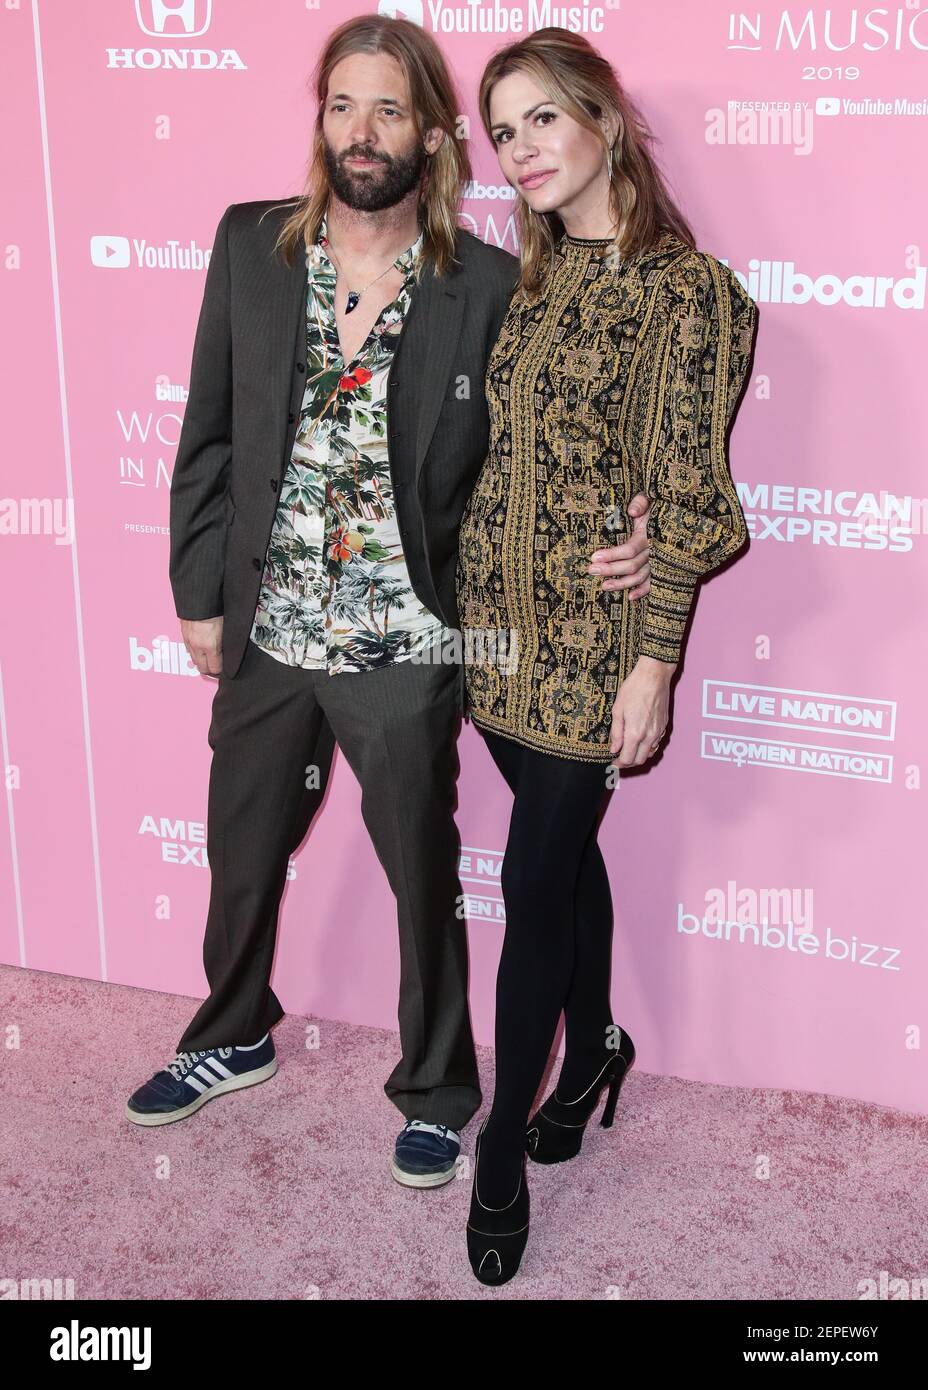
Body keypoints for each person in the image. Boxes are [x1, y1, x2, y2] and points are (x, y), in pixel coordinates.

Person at [124, 15, 655, 1192]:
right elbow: (205, 434)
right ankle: (230, 1034)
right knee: (241, 848)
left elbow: (548, 451)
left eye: (387, 109)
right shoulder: (248, 245)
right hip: (267, 618)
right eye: (340, 107)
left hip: (409, 635)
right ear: (320, 121)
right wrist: (198, 592)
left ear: (428, 130)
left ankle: (433, 1087)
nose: (362, 134)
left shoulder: (488, 286)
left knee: (422, 868)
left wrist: (635, 524)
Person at [456, 27, 758, 1283]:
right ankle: (592, 1054)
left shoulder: (684, 292)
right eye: (501, 129)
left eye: (538, 120)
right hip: (492, 627)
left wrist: (654, 661)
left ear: (601, 119)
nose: (518, 150)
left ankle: (498, 1161)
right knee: (562, 858)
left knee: (531, 888)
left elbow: (685, 494)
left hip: (591, 642)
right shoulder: (528, 275)